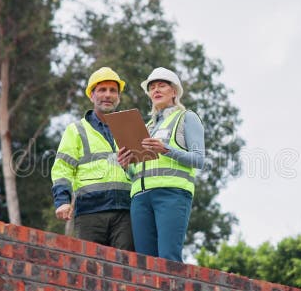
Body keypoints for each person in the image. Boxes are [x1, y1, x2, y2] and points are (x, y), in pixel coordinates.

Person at [118, 67, 205, 262]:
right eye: (152, 87)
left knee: (168, 260)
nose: (156, 90)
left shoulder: (187, 118)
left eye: (162, 85)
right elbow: (135, 172)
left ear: (174, 91)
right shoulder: (146, 127)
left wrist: (166, 150)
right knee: (144, 263)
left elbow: (199, 160)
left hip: (172, 195)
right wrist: (126, 165)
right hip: (140, 199)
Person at [51, 67, 134, 250]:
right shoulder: (76, 130)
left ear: (119, 97)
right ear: (91, 95)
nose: (108, 95)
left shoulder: (129, 128)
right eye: (102, 90)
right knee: (91, 271)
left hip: (125, 213)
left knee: (125, 271)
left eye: (113, 90)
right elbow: (63, 168)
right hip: (90, 212)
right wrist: (62, 201)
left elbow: (143, 169)